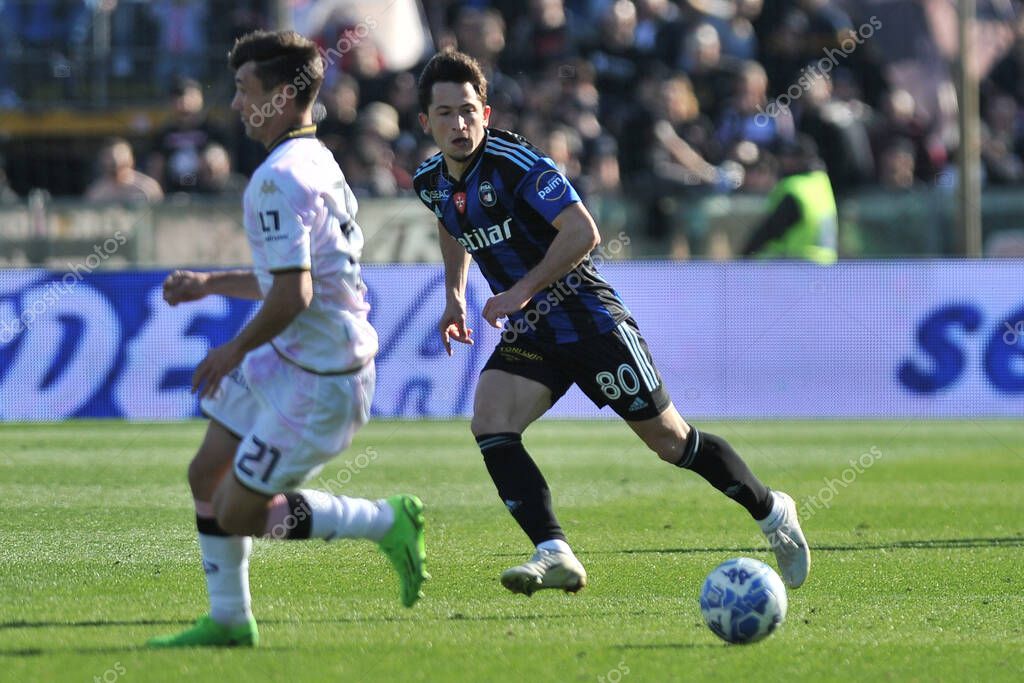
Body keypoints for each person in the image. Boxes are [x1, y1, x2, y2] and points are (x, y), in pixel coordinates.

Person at [413, 50, 810, 596]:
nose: (458, 125)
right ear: (425, 122)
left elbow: (583, 232)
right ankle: (554, 552)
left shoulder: (516, 164)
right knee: (491, 420)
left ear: (486, 110)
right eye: (444, 114)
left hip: (589, 318)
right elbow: (450, 221)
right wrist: (455, 295)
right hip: (536, 332)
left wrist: (521, 290)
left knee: (671, 442)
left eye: (467, 110)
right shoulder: (429, 178)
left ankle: (771, 511)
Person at [147, 30, 427, 649]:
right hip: (292, 353)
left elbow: (293, 295)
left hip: (323, 377)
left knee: (238, 510)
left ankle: (384, 522)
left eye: (246, 91)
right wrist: (211, 284)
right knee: (206, 474)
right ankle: (228, 619)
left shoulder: (276, 179)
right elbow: (294, 279)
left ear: (280, 97)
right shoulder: (315, 157)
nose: (237, 104)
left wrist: (231, 349)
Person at [742, 135, 838, 262]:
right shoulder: (821, 182)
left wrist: (744, 257)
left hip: (797, 266)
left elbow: (770, 230)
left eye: (786, 157)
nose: (782, 161)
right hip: (826, 265)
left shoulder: (794, 188)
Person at [84, 137, 164, 204]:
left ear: (131, 159)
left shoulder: (147, 187)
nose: (116, 162)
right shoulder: (97, 192)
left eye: (121, 156)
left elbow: (161, 215)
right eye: (109, 158)